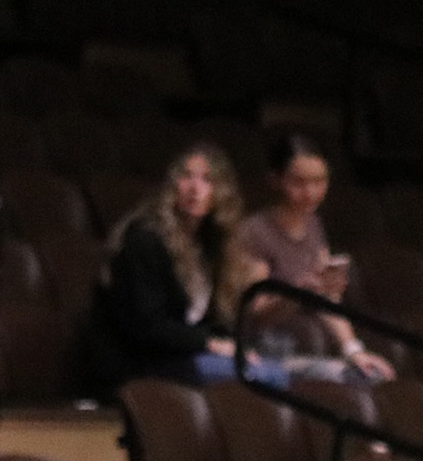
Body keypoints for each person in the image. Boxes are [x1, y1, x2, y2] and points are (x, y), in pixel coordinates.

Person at [84, 142, 284, 396]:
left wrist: (231, 344)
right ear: (172, 186)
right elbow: (146, 327)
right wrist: (211, 344)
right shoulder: (145, 239)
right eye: (186, 177)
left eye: (207, 180)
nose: (194, 188)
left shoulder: (210, 243)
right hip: (139, 363)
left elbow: (211, 320)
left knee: (275, 369)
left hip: (180, 357)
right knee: (267, 377)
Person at [240, 133, 395, 384]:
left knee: (372, 373)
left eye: (319, 181)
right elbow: (256, 316)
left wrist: (354, 350)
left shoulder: (314, 225)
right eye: (299, 182)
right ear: (276, 180)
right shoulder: (255, 232)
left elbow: (327, 298)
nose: (310, 192)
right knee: (355, 381)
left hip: (305, 345)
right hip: (266, 351)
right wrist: (299, 291)